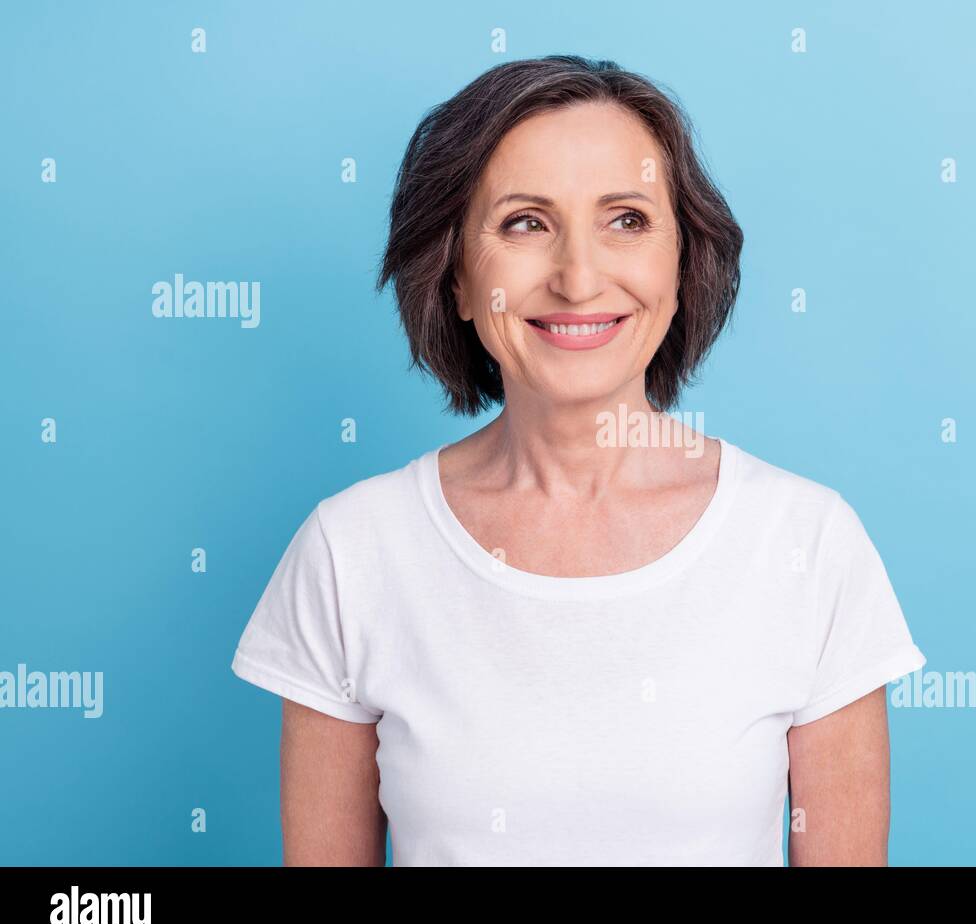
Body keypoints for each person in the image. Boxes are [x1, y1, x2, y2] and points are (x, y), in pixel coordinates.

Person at [231, 54, 926, 866]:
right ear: (455, 276)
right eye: (525, 222)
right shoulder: (351, 553)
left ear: (681, 261)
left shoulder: (808, 542)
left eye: (626, 219)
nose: (578, 277)